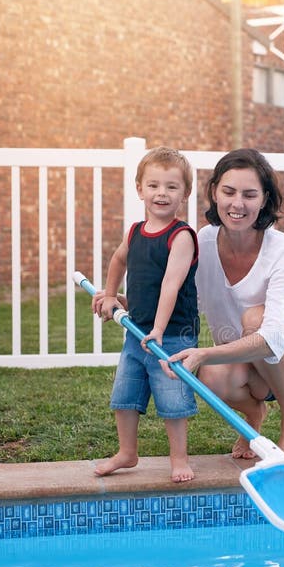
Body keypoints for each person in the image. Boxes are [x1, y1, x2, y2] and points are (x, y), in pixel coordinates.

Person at [161, 147, 284, 459]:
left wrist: (205, 352)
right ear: (214, 192)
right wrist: (128, 301)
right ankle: (253, 417)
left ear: (265, 199)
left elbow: (274, 339)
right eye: (229, 191)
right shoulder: (202, 240)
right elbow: (180, 294)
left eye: (250, 194)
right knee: (212, 375)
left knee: (256, 319)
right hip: (251, 363)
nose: (237, 204)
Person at [94, 146, 199, 482]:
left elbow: (170, 285)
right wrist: (111, 295)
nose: (161, 193)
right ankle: (127, 453)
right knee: (125, 394)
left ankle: (179, 458)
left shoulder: (181, 237)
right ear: (139, 188)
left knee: (172, 397)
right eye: (153, 185)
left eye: (171, 186)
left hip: (171, 335)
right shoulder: (135, 232)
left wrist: (158, 328)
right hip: (137, 332)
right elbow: (118, 260)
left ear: (185, 193)